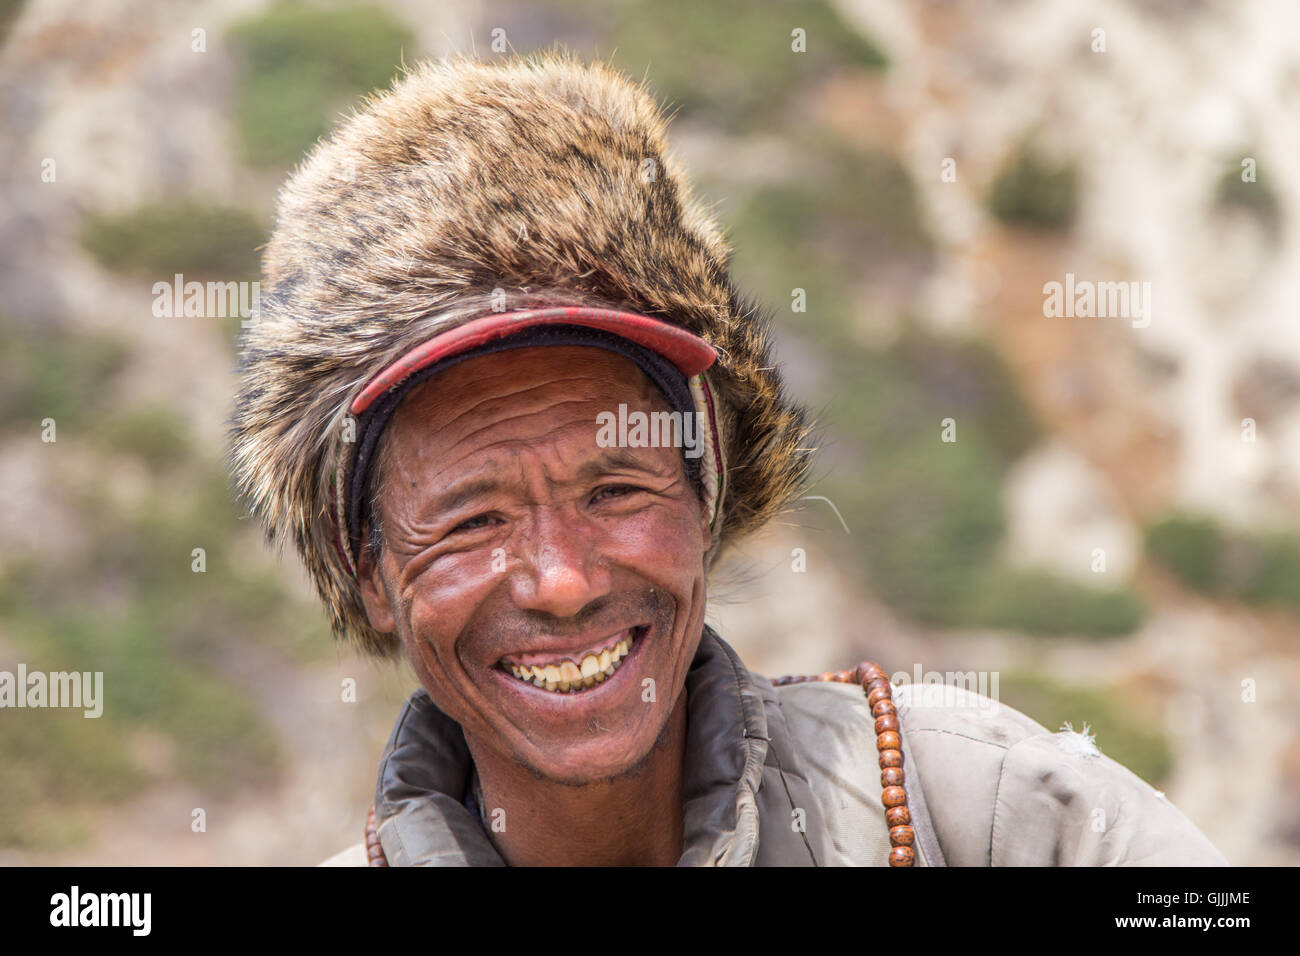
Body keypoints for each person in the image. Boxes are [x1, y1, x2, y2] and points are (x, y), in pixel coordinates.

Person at [228, 51, 1227, 867]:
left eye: (614, 485)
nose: (564, 579)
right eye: (473, 518)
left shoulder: (989, 814)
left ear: (706, 495)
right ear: (367, 573)